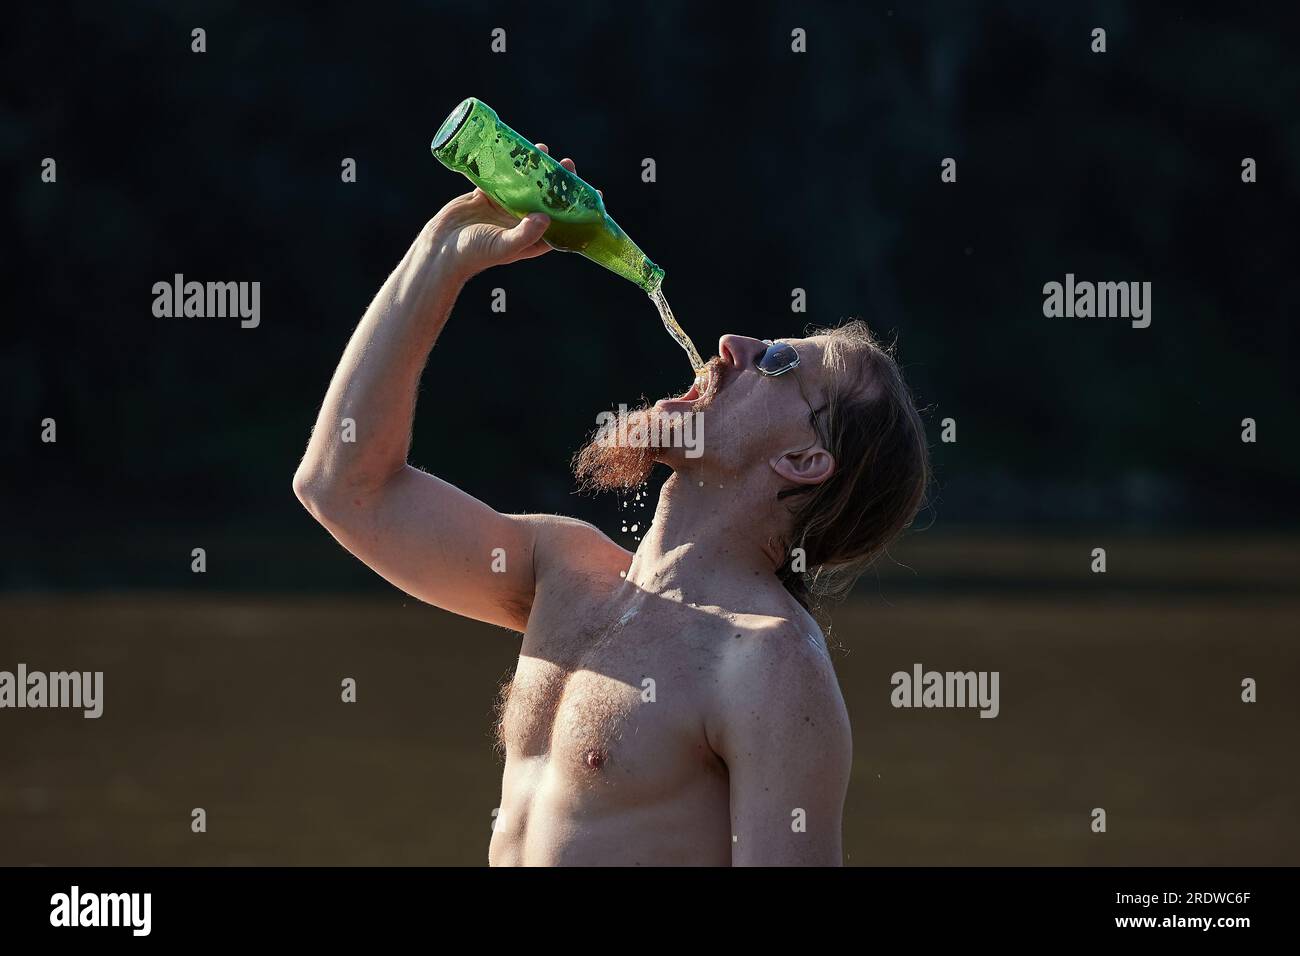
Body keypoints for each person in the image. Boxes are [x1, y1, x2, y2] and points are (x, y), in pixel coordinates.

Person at [293, 145, 929, 865]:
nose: (734, 343)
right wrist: (442, 253)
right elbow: (343, 487)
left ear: (805, 462)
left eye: (779, 361)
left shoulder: (771, 661)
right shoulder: (563, 570)